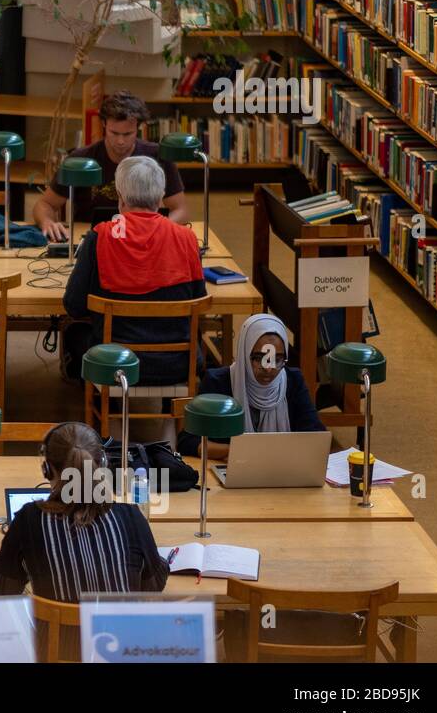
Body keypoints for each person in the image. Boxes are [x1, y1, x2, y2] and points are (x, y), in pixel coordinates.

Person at [0, 421, 168, 619]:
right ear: (102, 464)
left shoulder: (30, 519)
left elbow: (1, 586)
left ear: (47, 469)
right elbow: (154, 585)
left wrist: (18, 559)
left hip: (54, 649)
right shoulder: (130, 517)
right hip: (120, 646)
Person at [63, 156, 206, 385]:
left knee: (73, 334)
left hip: (115, 363)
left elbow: (74, 305)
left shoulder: (101, 236)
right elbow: (198, 302)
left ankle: (106, 405)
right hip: (177, 362)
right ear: (160, 198)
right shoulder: (186, 238)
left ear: (120, 197)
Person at [34, 90, 187, 241]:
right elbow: (44, 204)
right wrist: (47, 222)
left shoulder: (157, 157)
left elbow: (180, 210)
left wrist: (157, 229)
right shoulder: (80, 160)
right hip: (91, 238)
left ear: (138, 128)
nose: (120, 141)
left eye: (127, 134)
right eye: (114, 133)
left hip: (143, 237)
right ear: (104, 125)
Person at [179, 313, 327, 459]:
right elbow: (187, 442)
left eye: (277, 359)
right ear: (244, 353)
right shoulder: (218, 382)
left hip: (281, 471)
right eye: (259, 358)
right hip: (230, 468)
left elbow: (316, 436)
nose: (268, 368)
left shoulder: (293, 380)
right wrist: (238, 451)